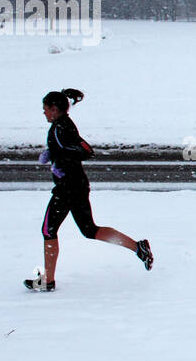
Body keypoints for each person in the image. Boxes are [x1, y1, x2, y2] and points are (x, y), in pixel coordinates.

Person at [24, 88, 152, 291]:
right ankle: (138, 247)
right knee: (89, 230)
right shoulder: (62, 123)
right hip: (77, 186)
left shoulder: (61, 127)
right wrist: (53, 153)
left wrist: (59, 157)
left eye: (45, 109)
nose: (44, 113)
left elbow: (86, 150)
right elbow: (70, 143)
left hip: (67, 188)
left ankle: (47, 281)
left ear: (54, 109)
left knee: (48, 229)